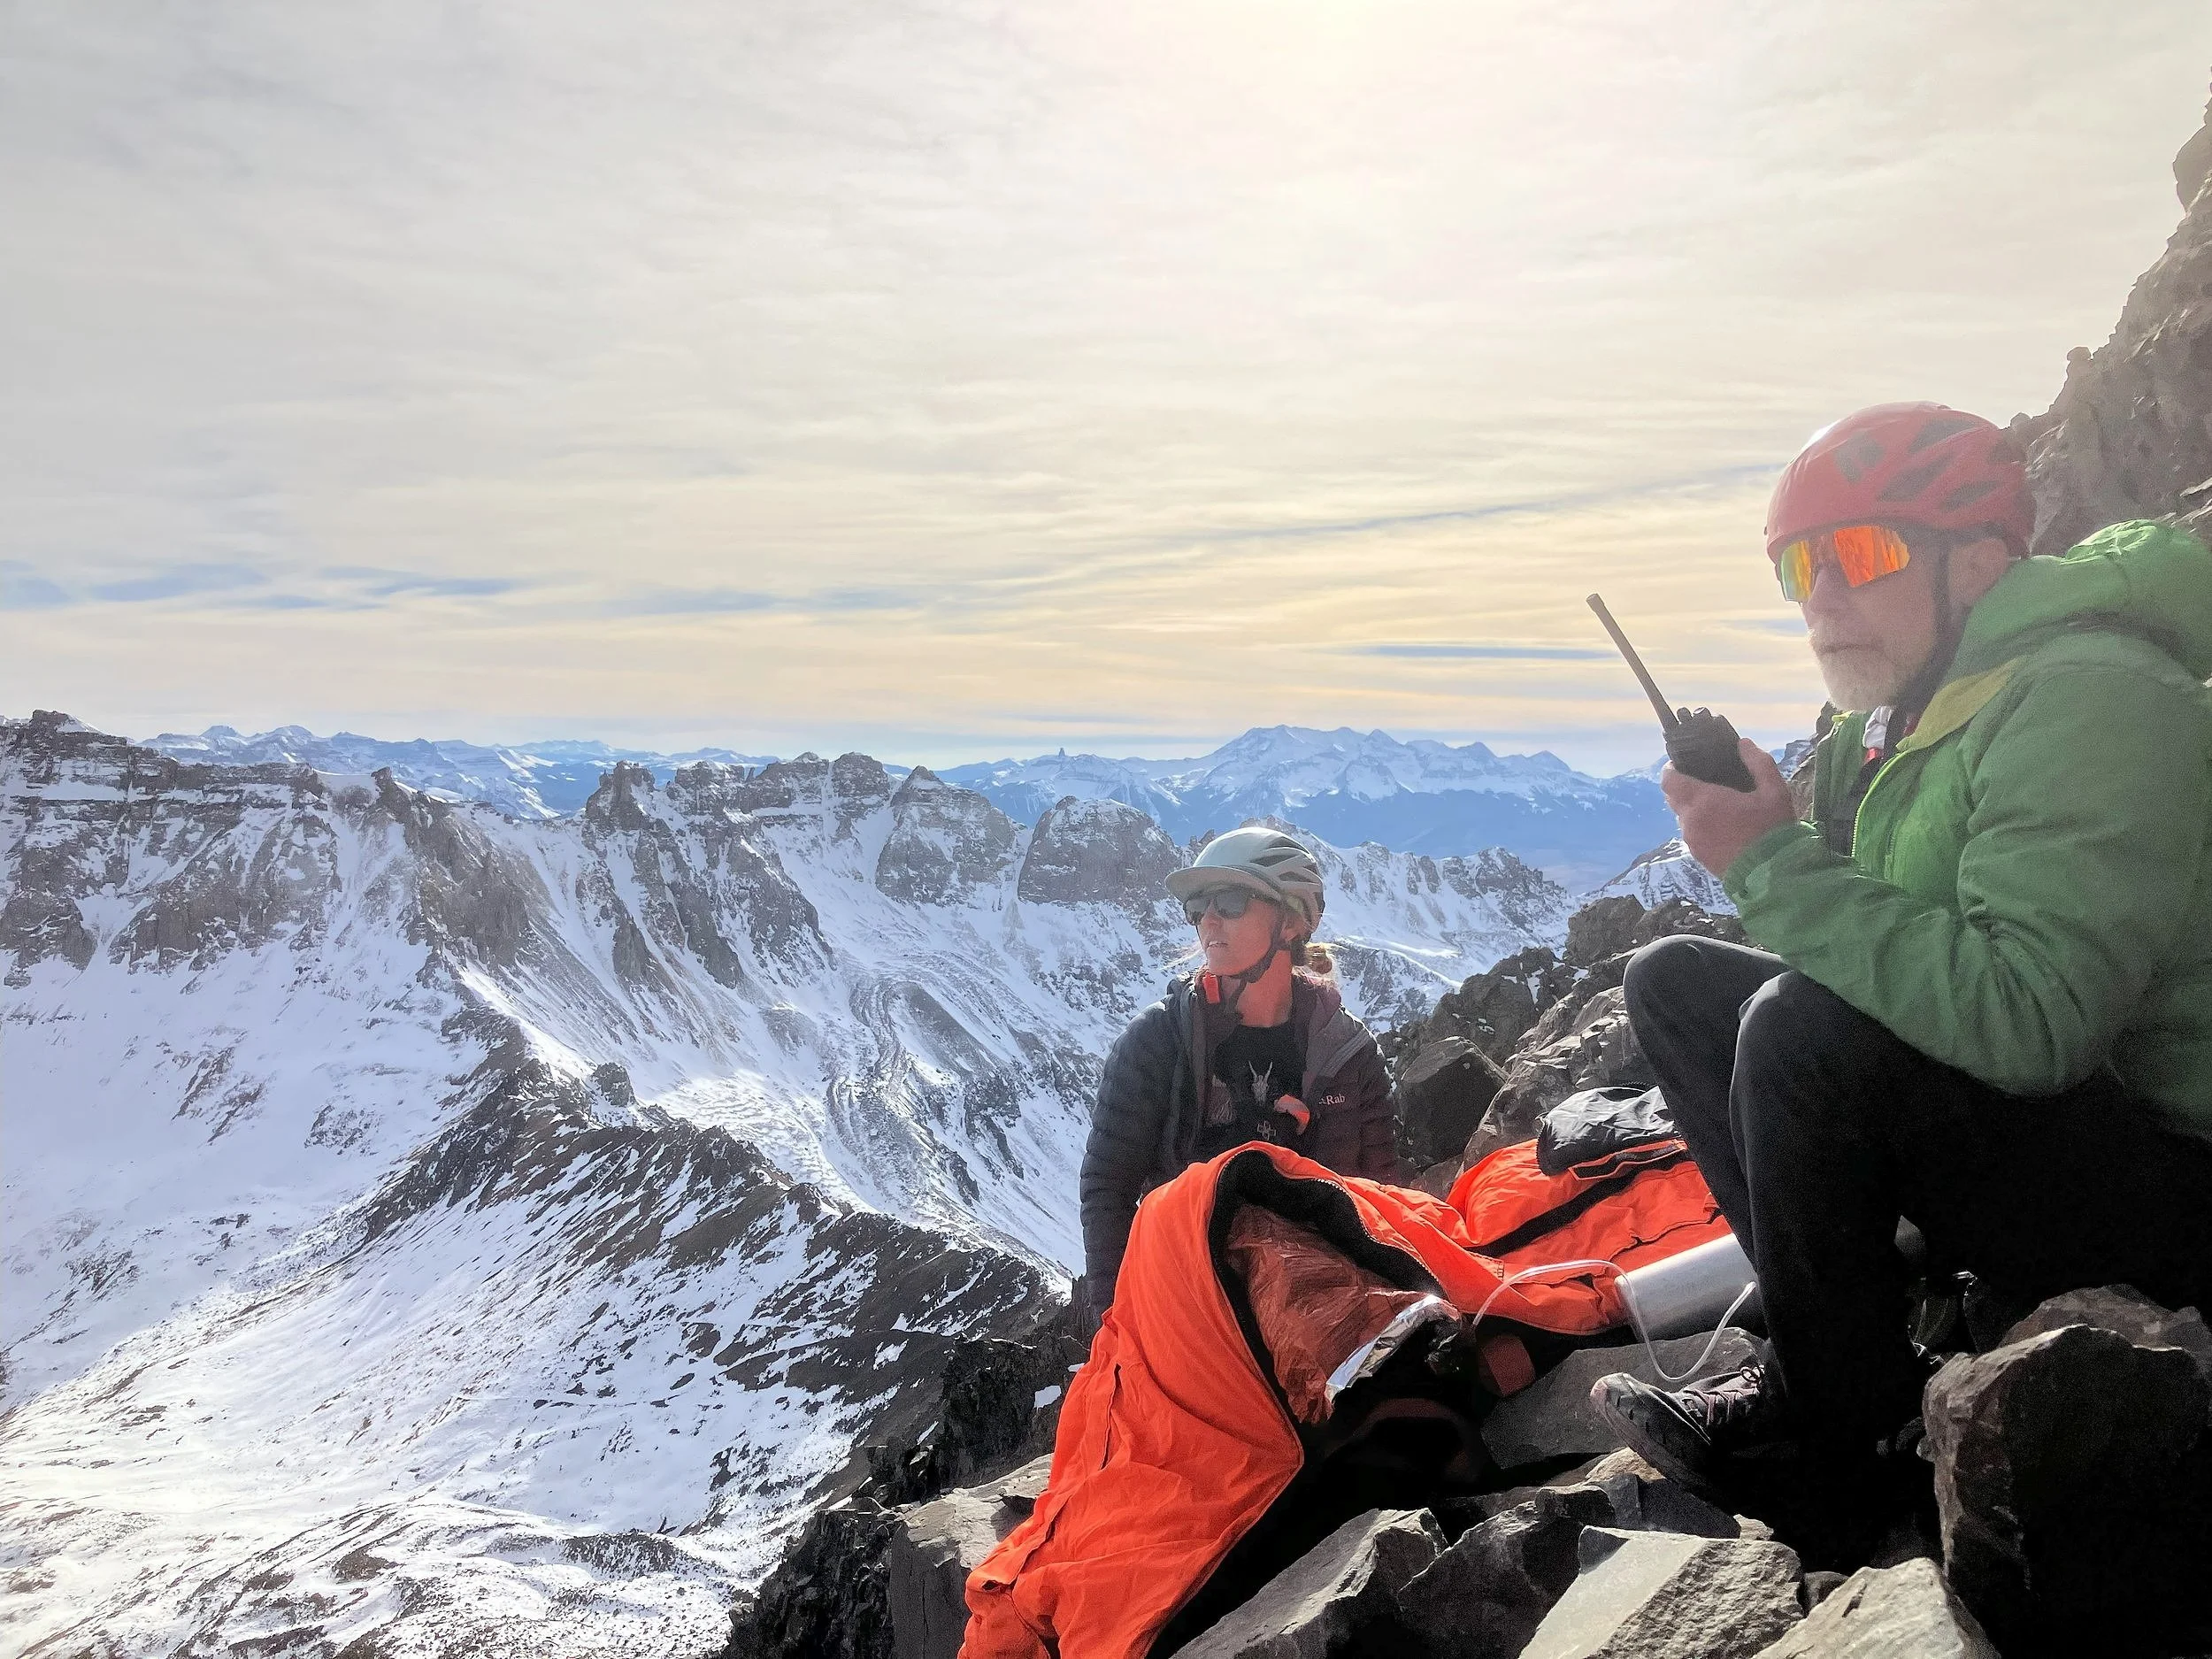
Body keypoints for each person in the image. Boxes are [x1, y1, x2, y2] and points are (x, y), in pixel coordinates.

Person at [1589, 403, 2212, 1552]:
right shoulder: (1910, 706)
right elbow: (1905, 942)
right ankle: (1836, 1339)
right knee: (1678, 982)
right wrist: (1787, 833)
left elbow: (2036, 1019)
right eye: (1798, 563)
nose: (1822, 591)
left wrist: (1774, 864)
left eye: (1863, 551)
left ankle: (1855, 1458)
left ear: (1977, 559)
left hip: (2176, 1174)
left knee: (1792, 1031)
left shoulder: (2090, 690)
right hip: (2067, 1129)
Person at [1077, 826, 1402, 1325]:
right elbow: (1107, 1188)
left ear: (1291, 922)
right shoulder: (1159, 1041)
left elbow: (1383, 1195)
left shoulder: (1350, 1055)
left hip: (1324, 1291)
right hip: (1192, 1293)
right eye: (1198, 907)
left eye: (1228, 901)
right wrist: (1118, 1320)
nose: (1207, 920)